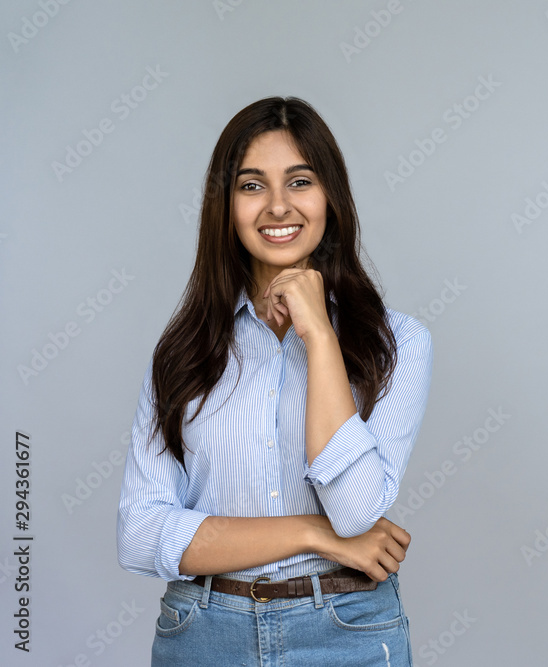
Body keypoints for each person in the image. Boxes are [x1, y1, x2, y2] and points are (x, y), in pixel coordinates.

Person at [117, 96, 433, 666]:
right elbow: (140, 535)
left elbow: (356, 510)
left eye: (300, 181)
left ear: (330, 197)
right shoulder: (183, 352)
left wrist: (318, 333)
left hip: (345, 632)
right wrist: (315, 534)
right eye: (252, 185)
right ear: (227, 205)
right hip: (203, 635)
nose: (278, 206)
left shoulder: (397, 343)